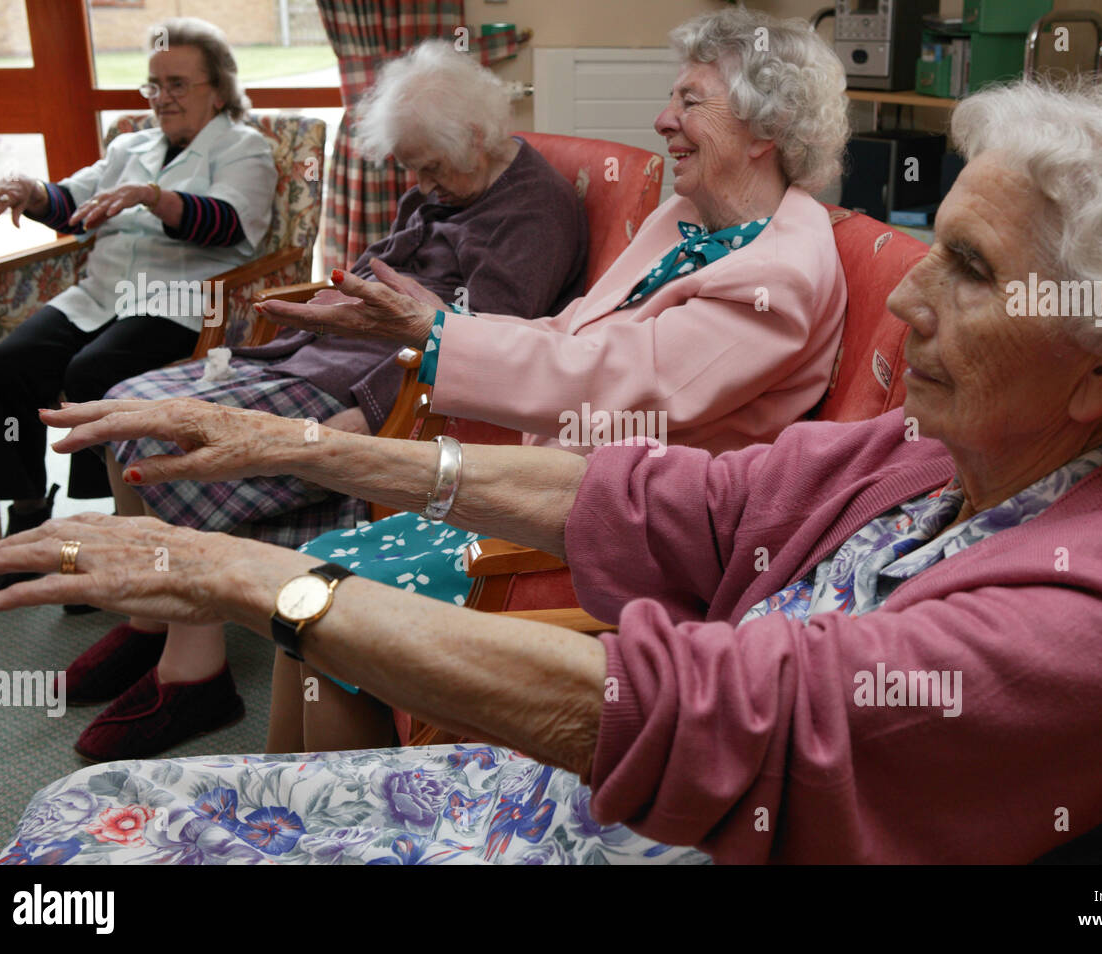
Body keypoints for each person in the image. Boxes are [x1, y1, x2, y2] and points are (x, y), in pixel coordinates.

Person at [0, 73, 1102, 864]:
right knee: (73, 837)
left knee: (79, 857)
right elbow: (668, 497)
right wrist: (296, 445)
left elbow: (710, 712)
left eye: (970, 269)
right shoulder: (947, 455)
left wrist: (262, 581)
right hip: (593, 809)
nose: (911, 295)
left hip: (646, 829)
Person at [253, 6, 851, 754]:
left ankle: (334, 825)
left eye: (691, 101)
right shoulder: (684, 223)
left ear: (768, 128)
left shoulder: (780, 276)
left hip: (626, 538)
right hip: (548, 491)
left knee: (337, 607)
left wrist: (440, 341)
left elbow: (613, 380)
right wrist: (448, 323)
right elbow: (572, 337)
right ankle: (273, 815)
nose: (663, 119)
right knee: (305, 589)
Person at [41, 39, 589, 763]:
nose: (418, 180)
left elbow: (478, 350)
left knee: (172, 445)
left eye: (427, 165)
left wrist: (366, 413)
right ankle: (153, 620)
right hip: (318, 356)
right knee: (120, 405)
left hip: (365, 385)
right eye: (410, 166)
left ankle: (194, 672)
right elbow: (382, 265)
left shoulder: (534, 217)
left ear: (481, 137)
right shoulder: (453, 173)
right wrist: (318, 307)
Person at [0, 17, 276, 605]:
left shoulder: (244, 148)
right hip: (100, 294)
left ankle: (98, 528)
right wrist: (33, 194)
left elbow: (231, 224)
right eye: (154, 86)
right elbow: (76, 204)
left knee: (90, 374)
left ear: (219, 88)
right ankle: (29, 516)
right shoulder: (130, 145)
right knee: (10, 361)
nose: (162, 99)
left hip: (178, 300)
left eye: (177, 84)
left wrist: (156, 198)